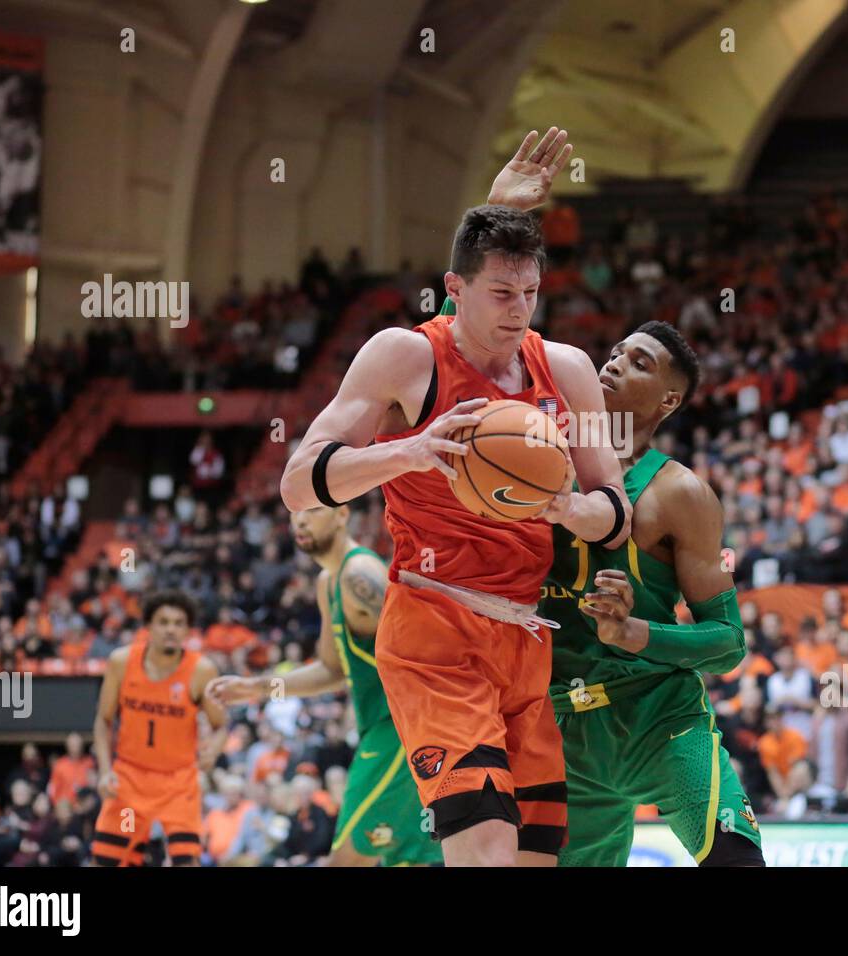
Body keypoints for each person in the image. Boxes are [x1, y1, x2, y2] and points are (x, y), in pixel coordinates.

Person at [279, 128, 632, 867]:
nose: (519, 310)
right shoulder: (405, 356)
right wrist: (405, 451)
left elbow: (615, 513)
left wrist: (568, 509)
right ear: (455, 289)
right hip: (434, 627)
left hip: (527, 637)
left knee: (534, 859)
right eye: (502, 293)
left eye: (531, 293)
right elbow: (298, 477)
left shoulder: (565, 369)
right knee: (486, 856)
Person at [535, 319, 763, 866]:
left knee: (737, 861)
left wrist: (635, 633)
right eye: (614, 352)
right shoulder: (534, 464)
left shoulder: (680, 493)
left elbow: (728, 641)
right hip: (563, 728)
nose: (613, 363)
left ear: (669, 399)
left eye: (639, 362)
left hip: (659, 720)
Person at [209, 506, 440, 866]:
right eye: (294, 513)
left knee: (347, 859)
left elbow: (425, 645)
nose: (300, 519)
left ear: (342, 514)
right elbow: (332, 670)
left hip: (400, 728)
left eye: (312, 509)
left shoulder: (359, 574)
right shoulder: (327, 583)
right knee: (404, 856)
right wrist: (256, 687)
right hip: (383, 726)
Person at [89, 590, 227, 866]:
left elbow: (220, 724)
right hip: (129, 779)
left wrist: (214, 749)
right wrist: (104, 772)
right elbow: (103, 721)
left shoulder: (202, 670)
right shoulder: (121, 662)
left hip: (178, 783)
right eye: (163, 622)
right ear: (148, 626)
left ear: (188, 630)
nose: (171, 630)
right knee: (107, 861)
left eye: (178, 623)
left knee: (186, 861)